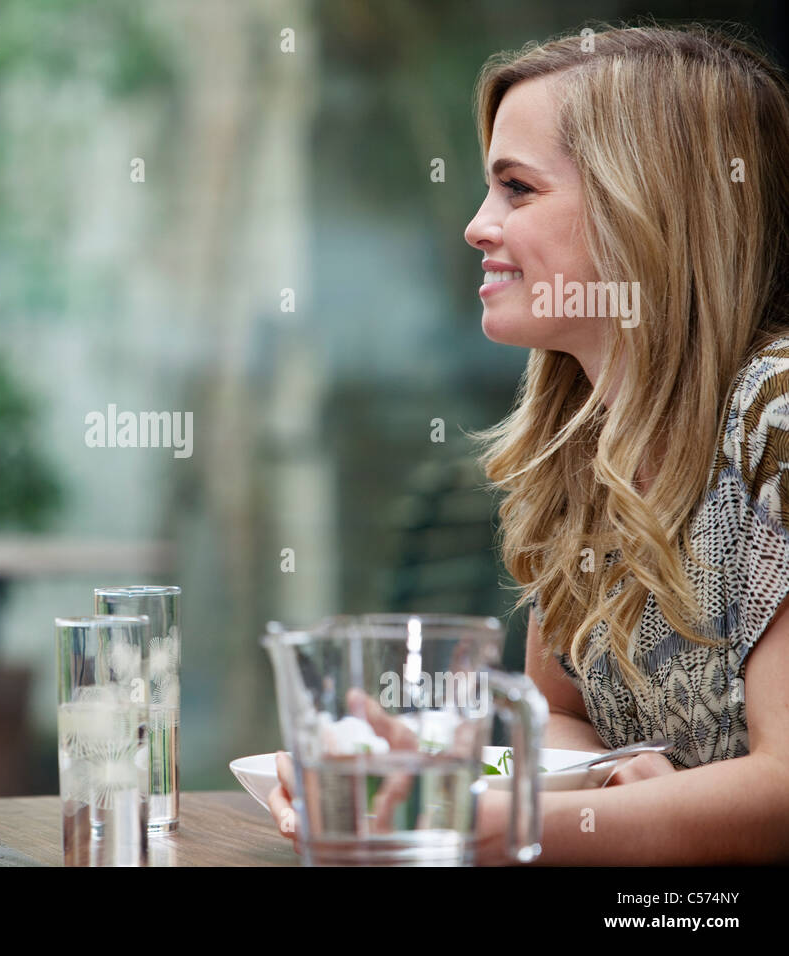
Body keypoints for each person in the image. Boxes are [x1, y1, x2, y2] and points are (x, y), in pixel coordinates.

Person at [270, 21, 789, 864]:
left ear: (643, 205)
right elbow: (564, 729)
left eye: (518, 188)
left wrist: (482, 820)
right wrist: (415, 765)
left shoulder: (774, 411)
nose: (478, 226)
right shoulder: (574, 449)